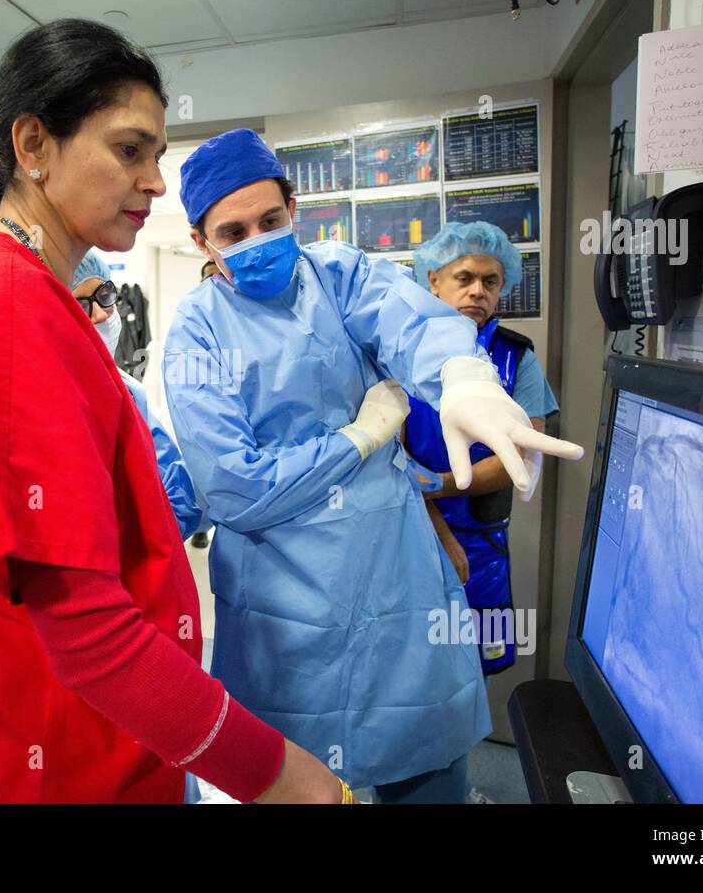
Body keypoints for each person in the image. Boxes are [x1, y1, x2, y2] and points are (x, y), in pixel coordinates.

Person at [0, 19, 351, 804]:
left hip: (101, 740)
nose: (157, 182)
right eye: (130, 151)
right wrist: (295, 783)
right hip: (57, 759)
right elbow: (90, 636)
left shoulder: (28, 295)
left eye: (157, 156)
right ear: (33, 146)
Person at [162, 129, 583, 802]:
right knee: (295, 782)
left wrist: (462, 371)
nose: (258, 239)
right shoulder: (197, 330)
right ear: (201, 240)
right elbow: (233, 488)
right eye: (233, 231)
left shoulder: (337, 274)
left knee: (426, 765)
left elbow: (410, 321)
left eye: (271, 221)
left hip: (396, 577)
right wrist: (358, 441)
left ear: (293, 208)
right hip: (282, 604)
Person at [403, 222, 559, 676]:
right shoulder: (401, 353)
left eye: (490, 281)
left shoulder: (517, 358)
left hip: (483, 542)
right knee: (415, 665)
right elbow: (392, 460)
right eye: (464, 278)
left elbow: (518, 461)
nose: (477, 291)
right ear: (433, 279)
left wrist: (436, 485)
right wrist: (438, 526)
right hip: (410, 531)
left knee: (478, 660)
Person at [71, 252, 206, 543]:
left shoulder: (127, 390)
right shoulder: (43, 399)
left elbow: (178, 496)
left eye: (104, 295)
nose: (101, 314)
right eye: (82, 305)